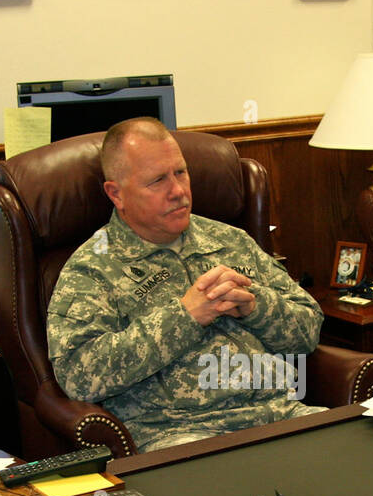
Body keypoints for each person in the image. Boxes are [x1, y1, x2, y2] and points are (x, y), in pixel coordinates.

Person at [46, 117, 325, 452]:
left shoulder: (229, 240)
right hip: (179, 434)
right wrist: (184, 317)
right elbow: (79, 376)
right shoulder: (93, 268)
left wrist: (255, 305)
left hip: (279, 414)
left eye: (181, 172)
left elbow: (309, 331)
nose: (178, 191)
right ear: (116, 193)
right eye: (157, 181)